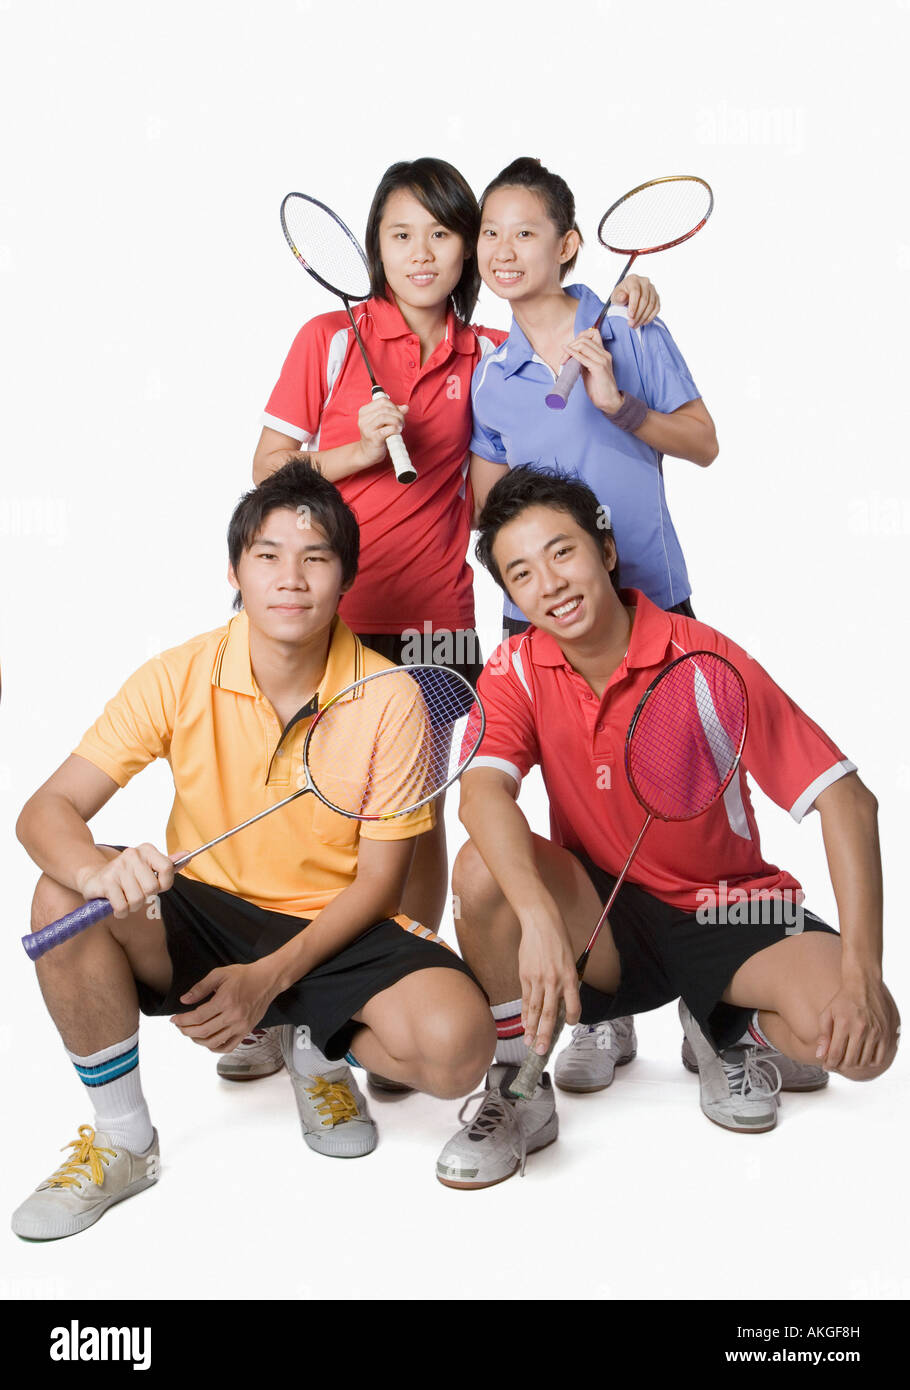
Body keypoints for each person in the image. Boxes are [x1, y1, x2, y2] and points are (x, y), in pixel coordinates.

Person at [235, 156, 658, 1088]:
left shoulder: (482, 355)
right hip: (322, 623)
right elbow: (268, 474)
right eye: (398, 234)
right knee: (301, 814)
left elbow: (557, 338)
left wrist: (628, 297)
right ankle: (277, 997)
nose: (420, 254)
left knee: (411, 823)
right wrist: (353, 444)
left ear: (465, 247)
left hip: (433, 629)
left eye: (440, 233)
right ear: (376, 247)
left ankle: (397, 991)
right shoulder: (329, 340)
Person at [12, 458, 494, 1239]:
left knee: (457, 1048)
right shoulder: (178, 672)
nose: (290, 578)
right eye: (267, 555)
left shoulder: (390, 695)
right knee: (63, 896)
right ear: (234, 570)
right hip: (207, 915)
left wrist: (265, 985)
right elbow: (46, 810)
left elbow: (378, 886)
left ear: (346, 578)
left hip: (340, 924)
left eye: (315, 558)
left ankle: (314, 1045)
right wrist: (100, 871)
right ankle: (124, 1140)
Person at [435, 467, 899, 1189]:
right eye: (520, 573)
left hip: (729, 909)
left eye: (563, 552)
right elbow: (482, 793)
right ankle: (516, 1082)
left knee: (866, 1048)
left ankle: (724, 1022)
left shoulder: (704, 658)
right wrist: (538, 918)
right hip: (605, 920)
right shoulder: (517, 667)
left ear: (606, 550)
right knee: (479, 867)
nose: (549, 584)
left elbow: (848, 801)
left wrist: (862, 973)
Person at [467, 157, 724, 1088]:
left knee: (684, 808)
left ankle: (711, 1000)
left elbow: (703, 442)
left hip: (653, 608)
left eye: (525, 231)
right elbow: (486, 518)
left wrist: (621, 404)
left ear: (567, 244)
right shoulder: (489, 377)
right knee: (575, 808)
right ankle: (601, 1006)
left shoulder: (628, 323)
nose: (503, 250)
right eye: (489, 233)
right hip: (536, 627)